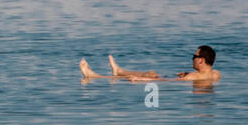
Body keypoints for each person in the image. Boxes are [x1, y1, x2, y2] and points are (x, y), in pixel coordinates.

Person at [79, 46, 220, 81]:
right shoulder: (216, 74)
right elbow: (203, 79)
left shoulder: (192, 78)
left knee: (149, 76)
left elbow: (167, 81)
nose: (192, 59)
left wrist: (140, 80)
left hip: (167, 82)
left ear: (201, 60)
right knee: (151, 74)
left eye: (193, 56)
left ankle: (95, 76)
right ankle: (119, 71)